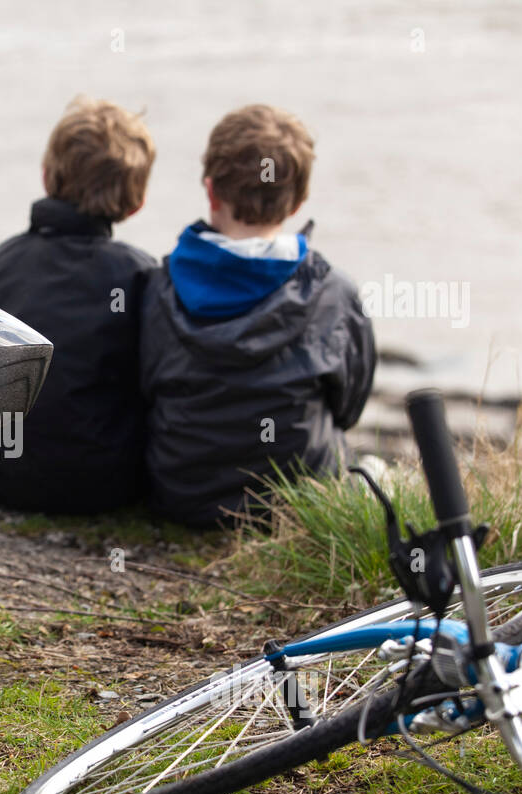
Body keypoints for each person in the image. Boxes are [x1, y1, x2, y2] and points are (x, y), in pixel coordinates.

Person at [140, 104, 376, 527]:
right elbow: (349, 405)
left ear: (211, 190)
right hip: (300, 499)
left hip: (186, 499)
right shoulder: (333, 292)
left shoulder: (161, 285)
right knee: (364, 464)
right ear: (299, 201)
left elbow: (145, 389)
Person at [0, 96, 156, 513]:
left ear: (46, 176)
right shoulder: (138, 274)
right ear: (137, 200)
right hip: (108, 484)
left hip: (3, 475)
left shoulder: (6, 258)